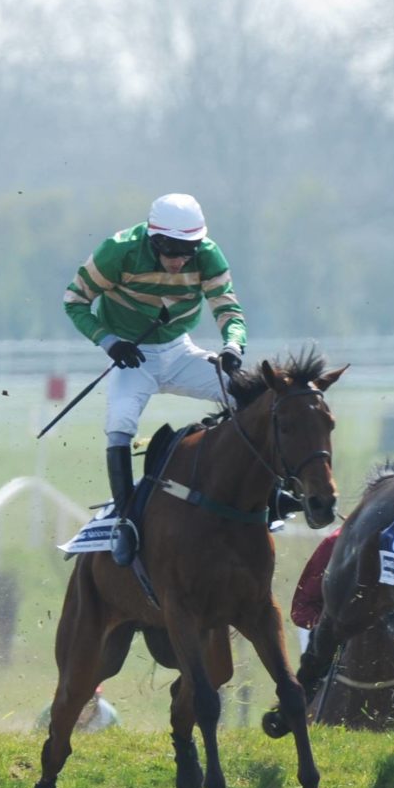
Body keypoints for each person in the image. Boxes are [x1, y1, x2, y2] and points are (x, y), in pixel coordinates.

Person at [63, 193, 247, 566]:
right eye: (170, 249)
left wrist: (232, 347)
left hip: (180, 351)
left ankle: (268, 494)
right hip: (134, 359)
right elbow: (74, 301)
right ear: (152, 237)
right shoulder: (117, 252)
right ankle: (126, 521)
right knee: (119, 425)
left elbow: (228, 308)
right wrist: (109, 342)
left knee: (248, 396)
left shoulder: (209, 255)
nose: (179, 260)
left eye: (188, 250)